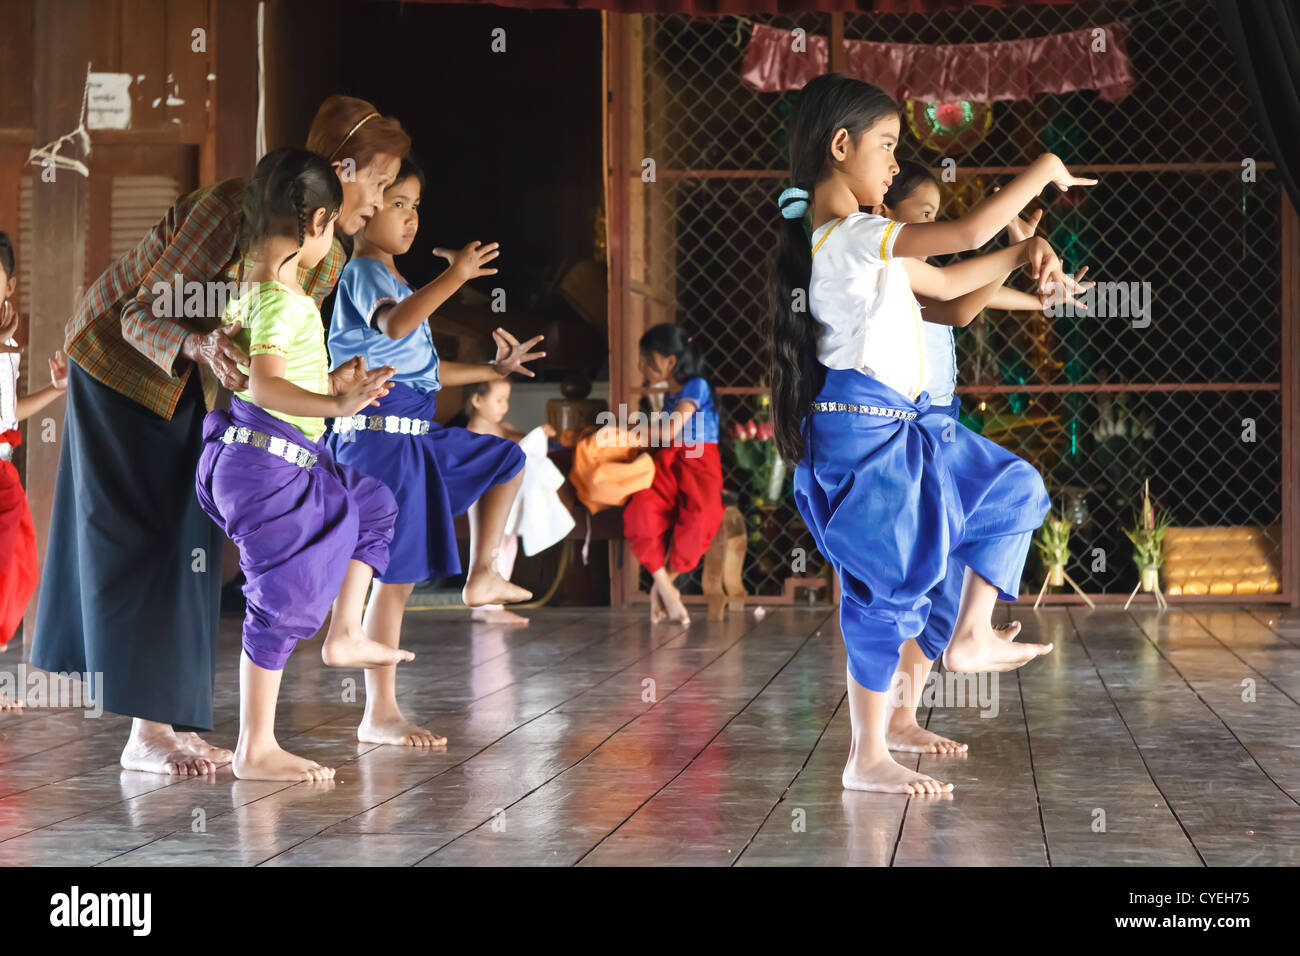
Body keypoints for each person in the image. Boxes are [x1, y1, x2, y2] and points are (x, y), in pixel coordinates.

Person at [31, 95, 410, 775]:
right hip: (125, 368)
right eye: (378, 183)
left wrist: (331, 382)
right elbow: (140, 318)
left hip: (204, 384)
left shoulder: (324, 251)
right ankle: (147, 734)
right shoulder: (228, 210)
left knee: (194, 538)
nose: (381, 201)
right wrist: (204, 348)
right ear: (334, 174)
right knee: (156, 536)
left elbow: (279, 344)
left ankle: (167, 727)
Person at [769, 73, 1093, 794]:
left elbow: (949, 291)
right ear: (840, 145)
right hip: (864, 432)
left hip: (907, 425)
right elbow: (968, 235)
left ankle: (970, 638)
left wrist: (1022, 255)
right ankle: (866, 757)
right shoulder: (848, 236)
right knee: (889, 590)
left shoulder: (861, 242)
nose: (892, 164)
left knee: (1014, 489)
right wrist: (1041, 172)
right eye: (886, 146)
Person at [195, 148, 405, 781]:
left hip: (276, 460)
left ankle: (346, 632)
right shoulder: (281, 300)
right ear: (316, 221)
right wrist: (338, 402)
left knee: (373, 504)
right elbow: (264, 388)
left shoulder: (252, 285)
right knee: (279, 601)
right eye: (333, 226)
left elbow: (282, 375)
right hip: (265, 466)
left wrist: (333, 381)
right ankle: (255, 748)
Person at [876, 160, 1092, 755]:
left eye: (934, 217)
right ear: (885, 212)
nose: (931, 226)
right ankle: (970, 640)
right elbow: (964, 297)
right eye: (922, 216)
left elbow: (976, 293)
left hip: (937, 424)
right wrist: (1020, 244)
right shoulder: (886, 264)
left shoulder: (915, 270)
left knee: (943, 589)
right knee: (1017, 486)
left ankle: (900, 719)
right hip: (915, 428)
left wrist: (1045, 298)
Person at [326, 157, 543, 748]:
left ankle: (482, 577)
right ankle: (380, 711)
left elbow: (425, 371)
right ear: (365, 211)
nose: (410, 217)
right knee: (391, 578)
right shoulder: (366, 272)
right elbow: (396, 327)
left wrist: (491, 369)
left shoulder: (399, 284)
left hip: (414, 434)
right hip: (376, 438)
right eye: (397, 203)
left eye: (416, 205)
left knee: (505, 460)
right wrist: (456, 279)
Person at [0, 233, 67, 711]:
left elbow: (7, 412)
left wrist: (54, 389)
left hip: (3, 473)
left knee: (15, 566)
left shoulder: (5, 341)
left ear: (9, 286)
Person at [622, 323, 724, 626]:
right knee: (642, 507)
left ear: (669, 361)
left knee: (699, 518)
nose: (641, 365)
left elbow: (669, 429)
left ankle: (662, 586)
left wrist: (630, 434)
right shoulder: (669, 393)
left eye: (646, 358)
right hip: (669, 460)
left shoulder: (697, 386)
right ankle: (666, 587)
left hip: (699, 461)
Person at [464, 378, 574, 623]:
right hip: (481, 500)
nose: (504, 406)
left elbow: (525, 442)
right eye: (499, 400)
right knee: (487, 549)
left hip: (505, 503)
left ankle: (494, 605)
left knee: (507, 549)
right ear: (477, 400)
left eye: (507, 401)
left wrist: (540, 434)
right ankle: (486, 608)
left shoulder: (503, 427)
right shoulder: (473, 433)